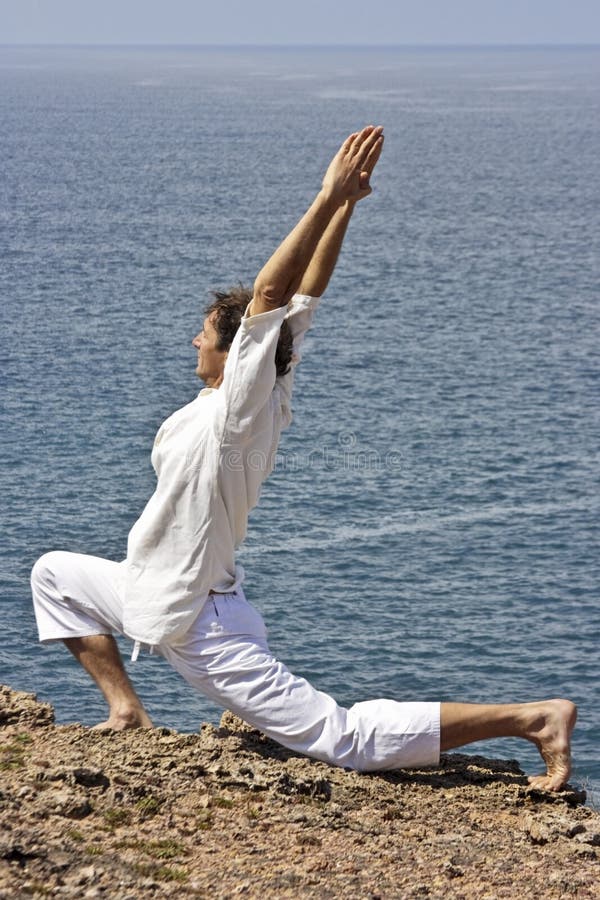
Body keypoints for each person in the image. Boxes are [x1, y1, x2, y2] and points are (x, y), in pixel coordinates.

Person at [31, 126, 576, 792]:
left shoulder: (238, 408)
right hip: (149, 587)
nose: (193, 341)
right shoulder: (249, 395)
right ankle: (125, 709)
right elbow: (301, 300)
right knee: (55, 574)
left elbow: (268, 298)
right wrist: (349, 209)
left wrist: (325, 196)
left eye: (203, 335)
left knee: (341, 739)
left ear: (236, 354)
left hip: (198, 619)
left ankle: (533, 717)